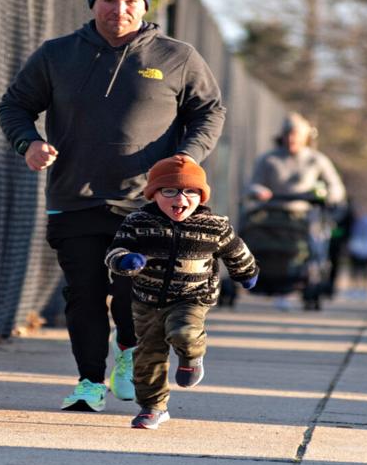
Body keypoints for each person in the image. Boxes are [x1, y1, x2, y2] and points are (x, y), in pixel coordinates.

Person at [0, 0, 226, 413]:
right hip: (75, 196)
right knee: (82, 292)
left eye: (129, 1)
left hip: (147, 204)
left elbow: (210, 110)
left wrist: (186, 155)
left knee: (131, 293)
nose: (118, 9)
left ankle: (128, 351)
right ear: (94, 4)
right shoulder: (57, 54)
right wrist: (28, 142)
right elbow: (14, 106)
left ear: (143, 6)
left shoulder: (177, 56)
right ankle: (87, 381)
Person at [103, 156, 258, 429]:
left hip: (193, 296)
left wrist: (247, 273)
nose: (181, 199)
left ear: (201, 195)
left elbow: (236, 252)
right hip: (146, 300)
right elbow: (115, 251)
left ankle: (191, 356)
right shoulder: (138, 221)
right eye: (170, 191)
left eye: (190, 192)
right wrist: (125, 260)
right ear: (153, 194)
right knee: (147, 357)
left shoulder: (214, 226)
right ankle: (153, 407)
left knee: (183, 332)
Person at [245, 113, 345, 311]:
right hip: (270, 215)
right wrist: (258, 191)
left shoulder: (316, 160)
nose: (291, 139)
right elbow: (251, 185)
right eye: (288, 134)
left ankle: (303, 283)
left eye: (296, 135)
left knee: (308, 250)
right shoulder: (268, 159)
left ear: (305, 137)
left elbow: (336, 188)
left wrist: (325, 195)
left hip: (303, 216)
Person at [344, 208, 367, 299]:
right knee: (360, 271)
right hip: (362, 249)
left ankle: (359, 289)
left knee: (359, 270)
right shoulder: (364, 222)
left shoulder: (361, 223)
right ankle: (360, 289)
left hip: (362, 249)